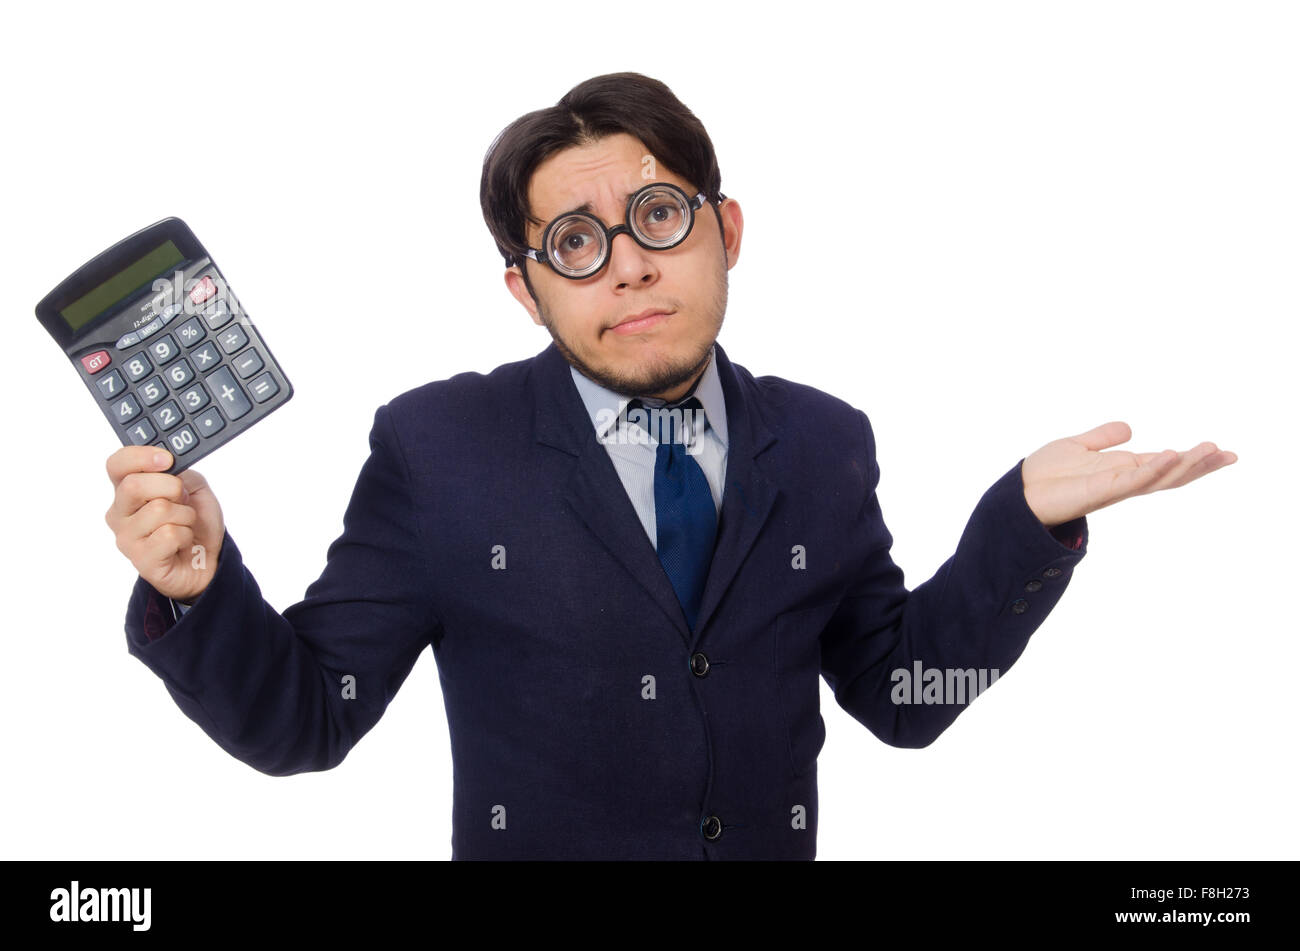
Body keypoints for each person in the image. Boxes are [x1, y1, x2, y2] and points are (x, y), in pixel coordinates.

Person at [103, 72, 1237, 860]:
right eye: (576, 244)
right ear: (526, 290)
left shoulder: (828, 440)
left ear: (726, 231)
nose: (631, 268)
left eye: (659, 216)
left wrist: (1022, 525)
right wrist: (195, 592)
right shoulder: (438, 450)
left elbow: (902, 697)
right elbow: (307, 721)